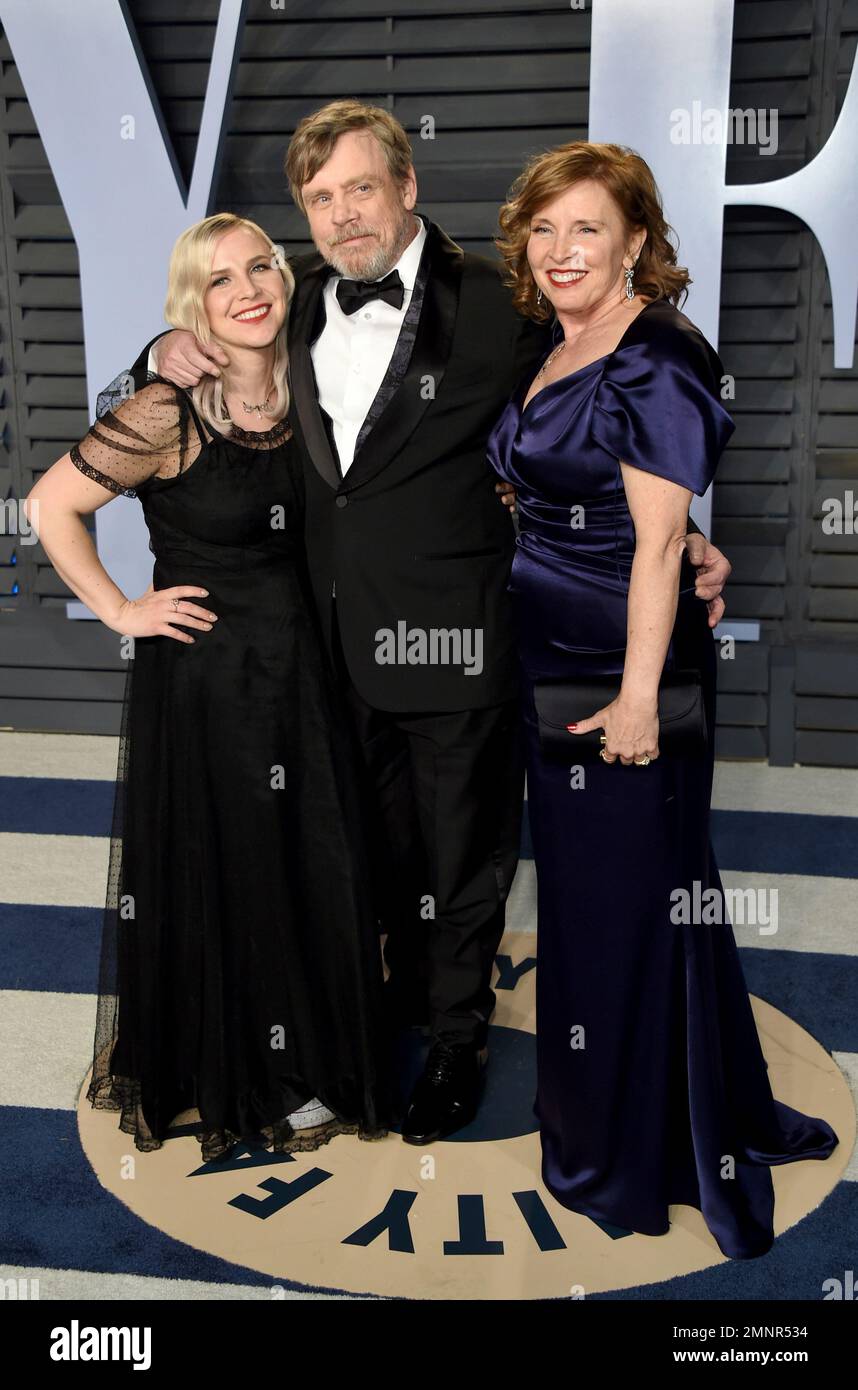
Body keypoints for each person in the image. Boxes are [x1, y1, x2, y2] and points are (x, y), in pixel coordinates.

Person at [121, 101, 731, 1144]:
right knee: (366, 853)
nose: (345, 214)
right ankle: (389, 1003)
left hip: (461, 642)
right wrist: (157, 352)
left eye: (363, 187)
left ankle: (456, 1041)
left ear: (407, 187)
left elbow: (605, 403)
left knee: (462, 862)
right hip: (322, 650)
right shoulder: (293, 299)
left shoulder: (507, 299)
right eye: (321, 199)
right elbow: (194, 372)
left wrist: (681, 540)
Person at [487, 141, 839, 1258]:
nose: (559, 251)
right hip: (551, 655)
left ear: (638, 238)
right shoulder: (561, 338)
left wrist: (640, 695)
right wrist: (688, 531)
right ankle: (666, 1104)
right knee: (609, 897)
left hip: (617, 676)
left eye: (585, 228)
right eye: (543, 230)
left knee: (629, 900)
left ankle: (634, 1151)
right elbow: (608, 497)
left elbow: (647, 553)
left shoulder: (657, 356)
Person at [24, 213, 391, 1163]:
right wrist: (119, 610)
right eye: (220, 281)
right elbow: (49, 504)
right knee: (237, 869)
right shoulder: (166, 409)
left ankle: (313, 1055)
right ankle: (243, 1070)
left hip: (311, 672)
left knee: (314, 862)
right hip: (212, 681)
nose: (249, 290)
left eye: (261, 267)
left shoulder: (318, 374)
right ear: (195, 306)